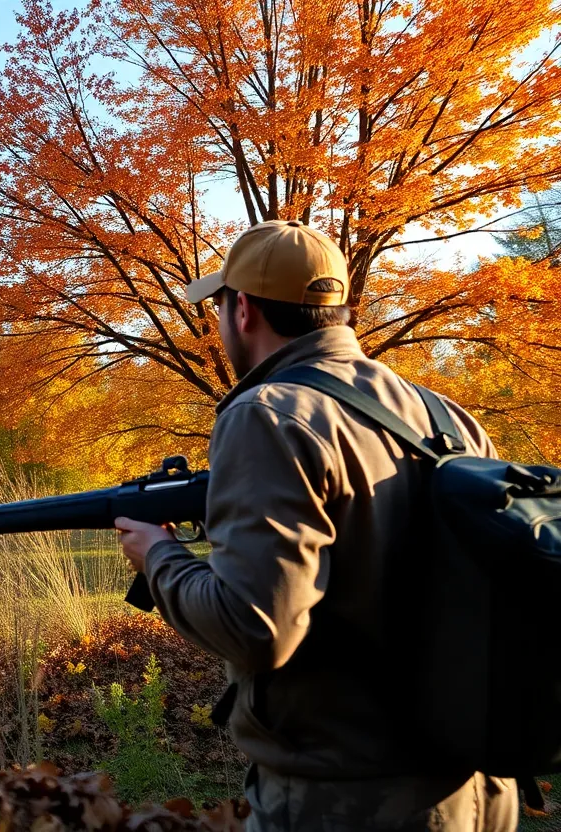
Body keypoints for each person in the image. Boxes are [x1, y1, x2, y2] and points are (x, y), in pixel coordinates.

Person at [114, 220, 519, 831]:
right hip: (481, 785)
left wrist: (159, 558)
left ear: (243, 309)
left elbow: (255, 627)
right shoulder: (447, 416)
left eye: (220, 305)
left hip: (351, 801)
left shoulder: (267, 414)